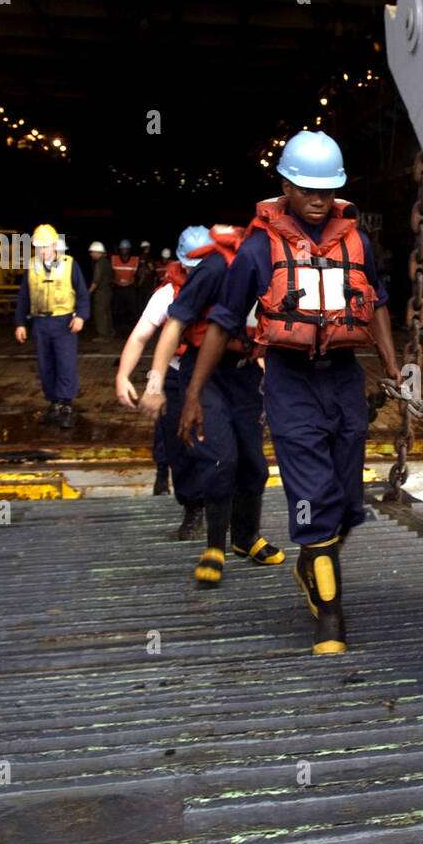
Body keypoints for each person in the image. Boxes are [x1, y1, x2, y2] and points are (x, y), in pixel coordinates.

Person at [177, 130, 400, 654]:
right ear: (285, 186)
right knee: (312, 496)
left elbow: (380, 304)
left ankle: (312, 560)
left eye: (327, 190)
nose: (318, 201)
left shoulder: (358, 242)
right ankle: (330, 616)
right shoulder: (258, 249)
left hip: (344, 378)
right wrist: (192, 392)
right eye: (306, 190)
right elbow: (223, 323)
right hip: (288, 380)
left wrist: (394, 367)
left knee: (346, 504)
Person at [140, 223, 285, 588]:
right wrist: (156, 384)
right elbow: (174, 325)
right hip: (204, 376)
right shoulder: (217, 268)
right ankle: (214, 546)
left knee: (253, 460)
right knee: (222, 456)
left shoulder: (290, 269)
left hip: (245, 374)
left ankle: (246, 538)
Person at [116, 225, 210, 539]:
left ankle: (228, 510)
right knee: (177, 444)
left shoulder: (228, 288)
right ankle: (192, 509)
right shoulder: (167, 294)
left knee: (218, 443)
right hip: (175, 374)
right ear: (181, 265)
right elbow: (140, 336)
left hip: (215, 376)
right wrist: (122, 376)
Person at [14, 224, 90, 429]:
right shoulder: (32, 267)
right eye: (39, 247)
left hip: (63, 322)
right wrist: (20, 323)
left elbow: (82, 294)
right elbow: (23, 297)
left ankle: (66, 406)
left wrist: (81, 317)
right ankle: (54, 404)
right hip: (40, 323)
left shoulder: (70, 264)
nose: (42, 251)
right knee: (46, 366)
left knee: (65, 364)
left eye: (46, 246)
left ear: (55, 245)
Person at [87, 240, 114, 340]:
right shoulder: (107, 262)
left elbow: (95, 281)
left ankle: (103, 335)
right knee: (107, 313)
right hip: (108, 291)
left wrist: (88, 292)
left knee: (100, 314)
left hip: (101, 293)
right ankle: (110, 332)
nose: (91, 254)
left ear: (98, 252)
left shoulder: (99, 264)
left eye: (92, 252)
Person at [111, 240, 139, 332]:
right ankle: (117, 328)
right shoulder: (114, 259)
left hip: (129, 287)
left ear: (129, 250)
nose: (124, 251)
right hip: (118, 287)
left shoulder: (135, 260)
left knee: (133, 309)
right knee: (116, 309)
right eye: (122, 249)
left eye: (126, 249)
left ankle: (134, 328)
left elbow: (138, 274)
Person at [136, 240, 157, 314]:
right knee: (147, 301)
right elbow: (152, 269)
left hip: (139, 283)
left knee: (140, 301)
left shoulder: (138, 258)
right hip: (147, 282)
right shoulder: (148, 258)